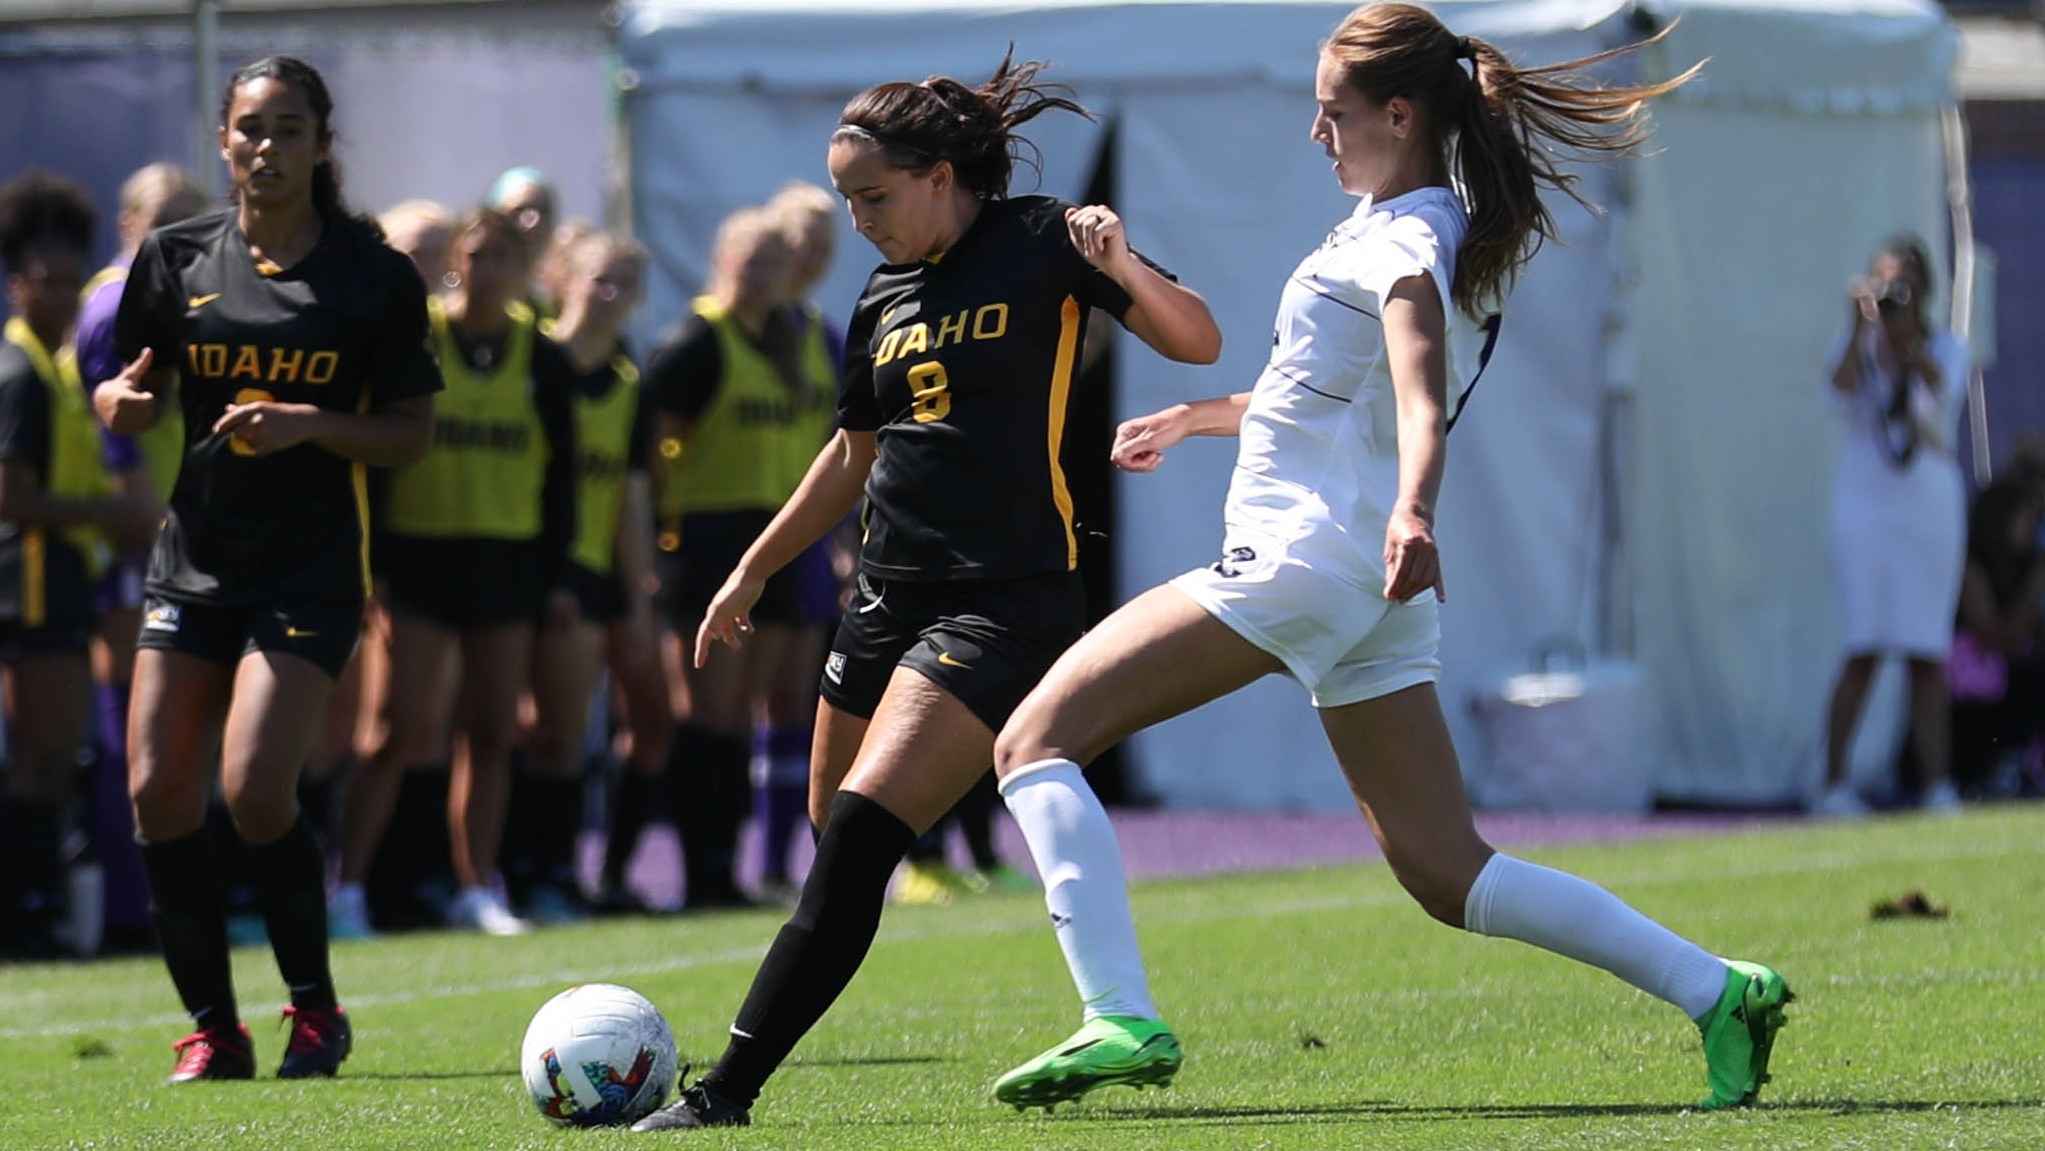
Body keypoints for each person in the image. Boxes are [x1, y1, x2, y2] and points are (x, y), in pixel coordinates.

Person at [975, 5, 1787, 1116]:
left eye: (1331, 111)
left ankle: (1117, 1011)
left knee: (1031, 739)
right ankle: (1718, 989)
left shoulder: (1404, 236)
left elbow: (1417, 392)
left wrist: (1415, 507)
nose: (1316, 131)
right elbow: (1331, 390)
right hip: (1361, 579)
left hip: (1307, 559)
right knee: (1446, 871)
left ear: (1396, 113)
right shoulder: (1402, 223)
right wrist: (1199, 417)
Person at [629, 51, 1221, 1130]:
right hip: (883, 595)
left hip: (1003, 594)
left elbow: (1198, 339)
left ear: (942, 174)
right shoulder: (880, 291)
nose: (858, 221)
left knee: (855, 835)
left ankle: (720, 1094)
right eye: (846, 199)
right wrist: (755, 565)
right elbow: (853, 452)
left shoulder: (1044, 239)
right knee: (834, 835)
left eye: (873, 196)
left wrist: (1124, 265)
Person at [95, 56, 439, 1079]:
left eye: (289, 128)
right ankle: (215, 1027)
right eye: (250, 128)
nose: (267, 147)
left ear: (322, 144)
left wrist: (305, 423)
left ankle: (315, 1008)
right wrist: (124, 403)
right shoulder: (176, 256)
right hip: (193, 558)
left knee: (251, 789)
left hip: (311, 567)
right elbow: (137, 381)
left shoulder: (371, 274)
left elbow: (410, 434)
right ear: (223, 140)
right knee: (157, 791)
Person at [336, 206, 576, 937]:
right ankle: (346, 886)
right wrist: (369, 568)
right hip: (419, 555)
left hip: (505, 559)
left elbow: (560, 474)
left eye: (503, 256)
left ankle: (475, 883)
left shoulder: (541, 356)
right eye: (476, 254)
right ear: (455, 262)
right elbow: (375, 459)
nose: (488, 268)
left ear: (522, 269)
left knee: (492, 730)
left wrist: (555, 574)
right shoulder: (418, 340)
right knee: (395, 729)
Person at [642, 205, 834, 910]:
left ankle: (739, 867)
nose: (761, 277)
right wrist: (657, 548)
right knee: (713, 713)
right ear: (721, 263)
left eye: (773, 264)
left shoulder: (799, 339)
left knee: (763, 709)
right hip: (712, 541)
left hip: (781, 538)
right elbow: (654, 455)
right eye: (749, 262)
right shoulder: (697, 341)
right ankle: (706, 869)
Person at [0, 171, 148, 958]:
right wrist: (109, 516)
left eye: (69, 279)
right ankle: (24, 916)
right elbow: (11, 495)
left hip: (64, 578)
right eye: (42, 281)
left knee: (58, 757)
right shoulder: (20, 372)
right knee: (41, 757)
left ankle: (43, 905)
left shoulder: (56, 367)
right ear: (16, 283)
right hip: (28, 581)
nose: (59, 295)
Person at [73, 161, 212, 953]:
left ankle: (167, 905)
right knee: (137, 729)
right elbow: (108, 430)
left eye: (191, 220)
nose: (177, 234)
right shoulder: (114, 300)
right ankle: (132, 913)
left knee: (179, 733)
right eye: (163, 218)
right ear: (129, 224)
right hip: (140, 546)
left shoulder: (182, 295)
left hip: (185, 538)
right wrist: (138, 510)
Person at [515, 230, 663, 922]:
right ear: (563, 277)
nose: (609, 296)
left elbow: (632, 495)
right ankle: (518, 871)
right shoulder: (535, 358)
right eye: (598, 279)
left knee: (568, 731)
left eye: (623, 285)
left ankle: (558, 873)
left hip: (594, 572)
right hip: (536, 564)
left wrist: (636, 593)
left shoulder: (628, 377)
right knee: (523, 728)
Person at [1816, 236, 1971, 817]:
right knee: (1863, 646)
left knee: (1926, 651)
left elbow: (1940, 390)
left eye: (1904, 287)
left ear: (1926, 291)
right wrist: (1860, 328)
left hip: (1927, 511)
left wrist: (1907, 345)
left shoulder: (1945, 347)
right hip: (1865, 509)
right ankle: (1832, 785)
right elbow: (1837, 392)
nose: (1896, 301)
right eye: (1885, 286)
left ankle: (1937, 785)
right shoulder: (1857, 343)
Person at [1949, 479, 2045, 794]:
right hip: (1972, 701)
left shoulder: (2026, 565)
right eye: (2023, 518)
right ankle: (2007, 763)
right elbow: (1997, 640)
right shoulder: (1971, 568)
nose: (2029, 529)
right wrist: (2035, 588)